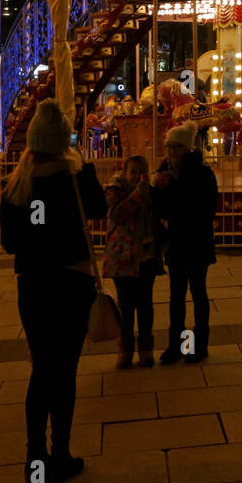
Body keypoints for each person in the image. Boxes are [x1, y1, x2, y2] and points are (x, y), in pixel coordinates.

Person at [0, 99, 107, 483]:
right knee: (64, 371)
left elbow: (9, 243)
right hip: (71, 282)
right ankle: (59, 453)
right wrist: (86, 167)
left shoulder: (15, 187)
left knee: (41, 370)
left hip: (32, 285)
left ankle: (36, 460)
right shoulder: (76, 179)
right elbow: (99, 209)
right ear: (65, 142)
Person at [153, 122, 218, 364]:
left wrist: (173, 191)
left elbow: (204, 208)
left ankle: (198, 345)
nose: (170, 152)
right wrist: (158, 191)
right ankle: (176, 345)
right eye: (168, 147)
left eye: (176, 148)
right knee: (176, 295)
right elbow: (159, 207)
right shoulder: (163, 172)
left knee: (198, 292)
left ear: (187, 149)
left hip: (197, 240)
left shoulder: (201, 174)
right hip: (176, 242)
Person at [103, 155, 163, 369]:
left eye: (141, 172)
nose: (138, 176)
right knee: (126, 305)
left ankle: (146, 348)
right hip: (123, 255)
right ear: (125, 172)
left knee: (145, 303)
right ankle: (125, 348)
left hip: (145, 254)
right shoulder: (115, 190)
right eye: (134, 172)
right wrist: (139, 195)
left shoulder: (149, 190)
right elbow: (117, 214)